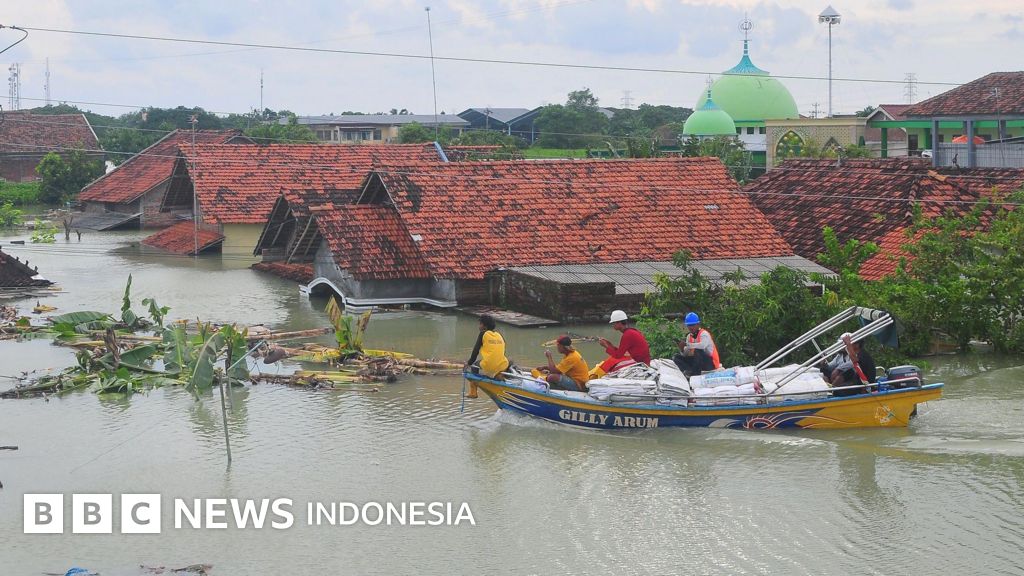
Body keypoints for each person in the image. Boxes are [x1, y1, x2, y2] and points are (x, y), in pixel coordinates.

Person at [593, 310, 651, 378]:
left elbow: (618, 356)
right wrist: (609, 344)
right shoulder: (631, 331)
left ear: (619, 323)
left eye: (614, 323)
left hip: (642, 364)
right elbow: (620, 352)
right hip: (642, 361)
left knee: (612, 367)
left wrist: (605, 346)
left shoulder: (628, 334)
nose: (613, 325)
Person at [464, 314, 510, 398]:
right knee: (498, 364)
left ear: (485, 326)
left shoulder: (483, 334)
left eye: (480, 324)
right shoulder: (499, 335)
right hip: (503, 364)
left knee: (474, 366)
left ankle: (473, 392)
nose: (479, 326)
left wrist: (469, 363)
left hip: (489, 364)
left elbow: (475, 351)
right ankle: (498, 375)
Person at [673, 312, 721, 377]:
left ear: (698, 324)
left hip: (710, 363)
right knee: (676, 357)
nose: (691, 327)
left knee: (698, 351)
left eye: (693, 325)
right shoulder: (689, 336)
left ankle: (694, 374)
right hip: (697, 363)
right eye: (689, 325)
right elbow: (686, 354)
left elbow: (702, 346)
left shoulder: (704, 334)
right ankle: (688, 372)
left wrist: (687, 344)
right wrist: (682, 348)